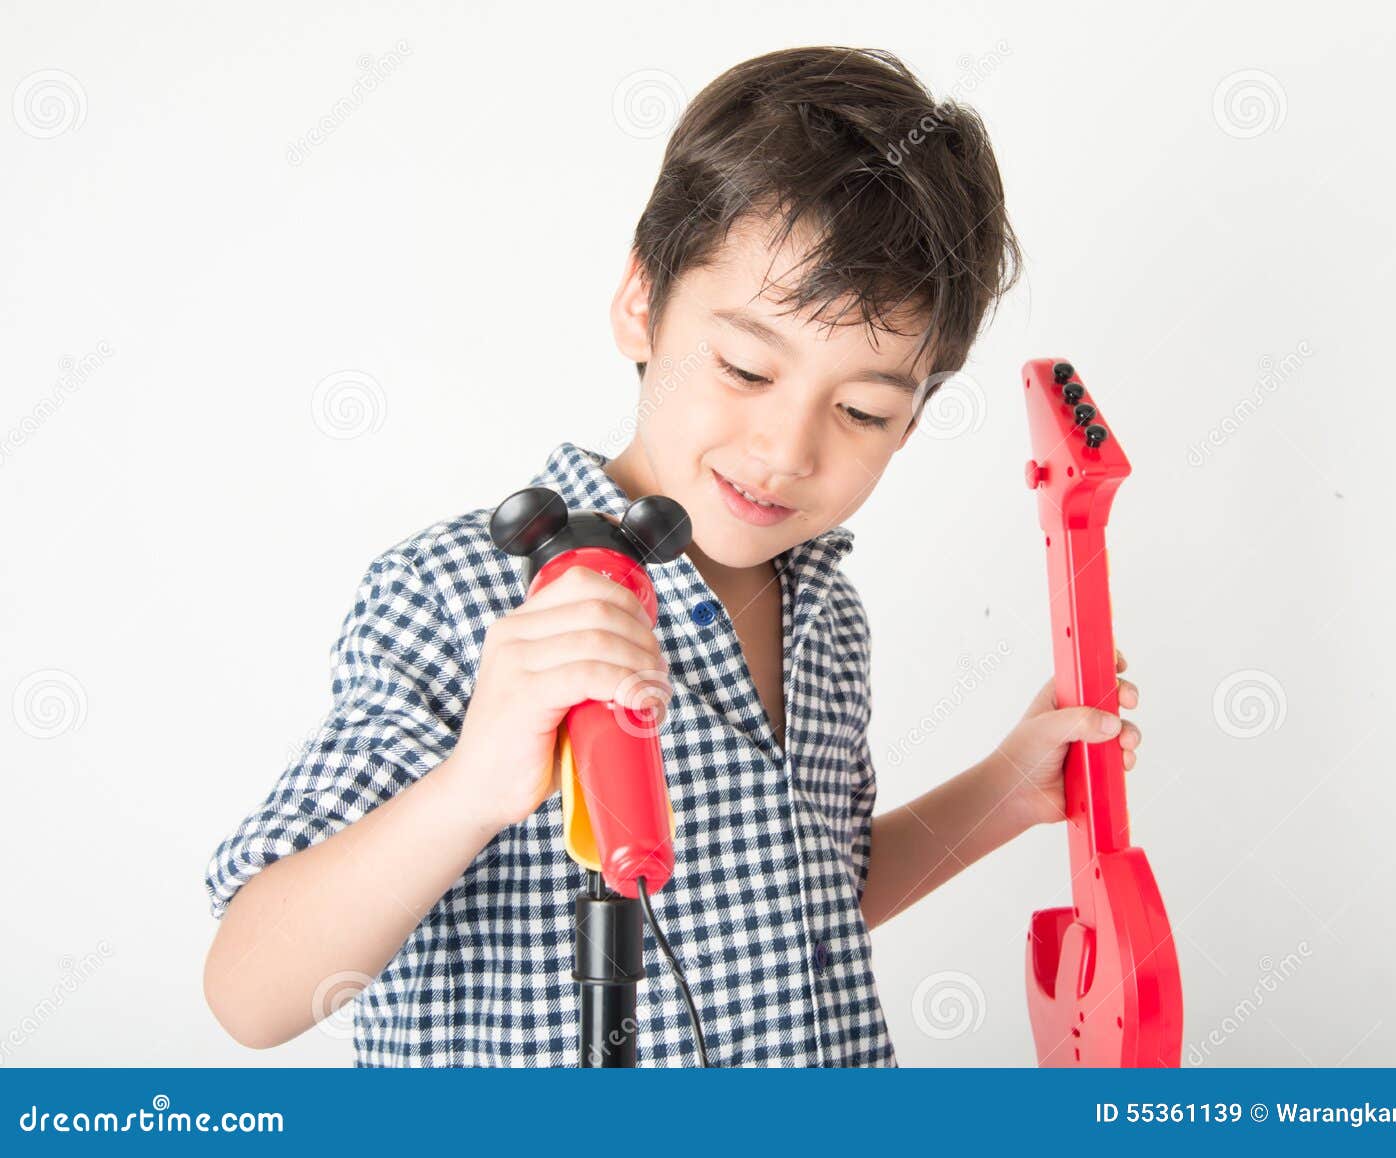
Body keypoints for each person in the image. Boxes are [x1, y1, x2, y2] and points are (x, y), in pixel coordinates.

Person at [201, 45, 1141, 1067]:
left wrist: (1003, 792)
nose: (786, 451)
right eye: (743, 367)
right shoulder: (462, 595)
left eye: (864, 410)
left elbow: (796, 912)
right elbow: (252, 994)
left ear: (912, 425)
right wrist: (473, 782)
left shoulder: (824, 614)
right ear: (640, 305)